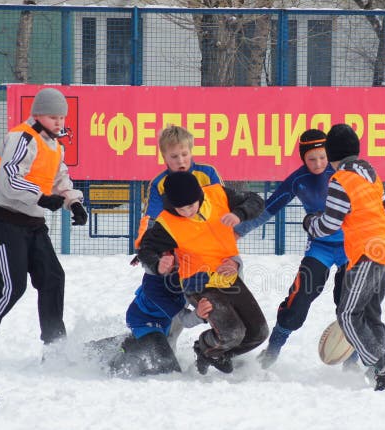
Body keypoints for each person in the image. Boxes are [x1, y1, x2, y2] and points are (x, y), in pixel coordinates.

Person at [0, 87, 88, 347]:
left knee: (52, 277)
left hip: (31, 221)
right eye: (53, 117)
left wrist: (73, 203)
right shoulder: (23, 137)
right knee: (11, 286)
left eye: (62, 118)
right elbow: (9, 179)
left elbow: (60, 178)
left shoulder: (54, 145)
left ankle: (54, 348)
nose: (59, 123)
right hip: (3, 217)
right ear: (37, 115)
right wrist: (40, 197)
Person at [235, 129, 350, 369]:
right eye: (311, 159)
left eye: (322, 157)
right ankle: (273, 350)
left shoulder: (344, 174)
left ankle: (354, 360)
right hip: (319, 246)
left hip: (351, 246)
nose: (318, 163)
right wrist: (239, 231)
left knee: (350, 303)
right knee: (299, 299)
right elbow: (268, 209)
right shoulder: (298, 180)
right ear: (302, 159)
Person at [137, 171, 268, 375]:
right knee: (232, 333)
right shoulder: (167, 223)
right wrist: (157, 264)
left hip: (227, 276)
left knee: (259, 333)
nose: (188, 212)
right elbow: (145, 248)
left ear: (199, 196)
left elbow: (256, 200)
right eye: (181, 208)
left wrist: (239, 214)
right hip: (198, 283)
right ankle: (206, 347)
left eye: (191, 206)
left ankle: (215, 353)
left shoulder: (218, 195)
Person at [304, 124, 385, 391]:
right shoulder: (371, 175)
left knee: (348, 314)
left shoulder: (340, 180)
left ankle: (381, 367)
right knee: (371, 314)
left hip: (367, 253)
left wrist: (310, 223)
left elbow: (329, 224)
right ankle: (381, 369)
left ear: (332, 155)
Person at [129, 125, 225, 355]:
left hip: (207, 247)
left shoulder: (207, 173)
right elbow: (150, 218)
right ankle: (158, 343)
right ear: (164, 157)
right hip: (176, 249)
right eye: (174, 156)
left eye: (184, 154)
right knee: (173, 294)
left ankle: (227, 345)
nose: (181, 160)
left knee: (223, 295)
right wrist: (144, 247)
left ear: (191, 151)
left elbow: (222, 208)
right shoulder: (159, 183)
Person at [85, 297, 213, 378]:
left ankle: (97, 349)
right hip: (146, 323)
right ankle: (106, 362)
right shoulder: (166, 275)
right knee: (172, 376)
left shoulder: (192, 273)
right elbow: (182, 316)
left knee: (169, 372)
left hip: (158, 329)